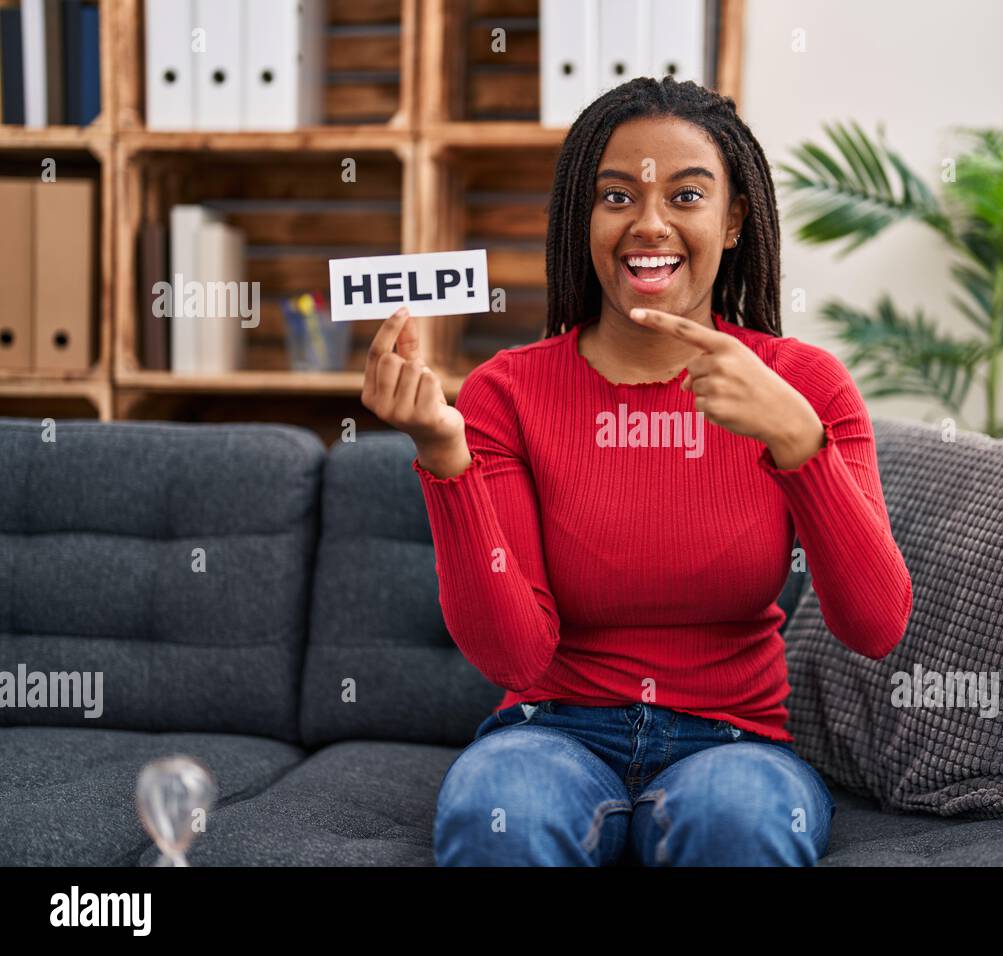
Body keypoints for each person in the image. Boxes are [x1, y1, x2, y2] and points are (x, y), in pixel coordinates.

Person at [361, 76, 913, 866]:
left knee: (739, 820)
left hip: (733, 741)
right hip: (549, 730)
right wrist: (446, 459)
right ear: (584, 221)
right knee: (505, 814)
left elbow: (876, 625)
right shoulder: (506, 393)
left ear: (732, 221)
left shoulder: (808, 385)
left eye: (686, 196)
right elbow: (513, 657)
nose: (648, 224)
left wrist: (800, 441)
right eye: (616, 196)